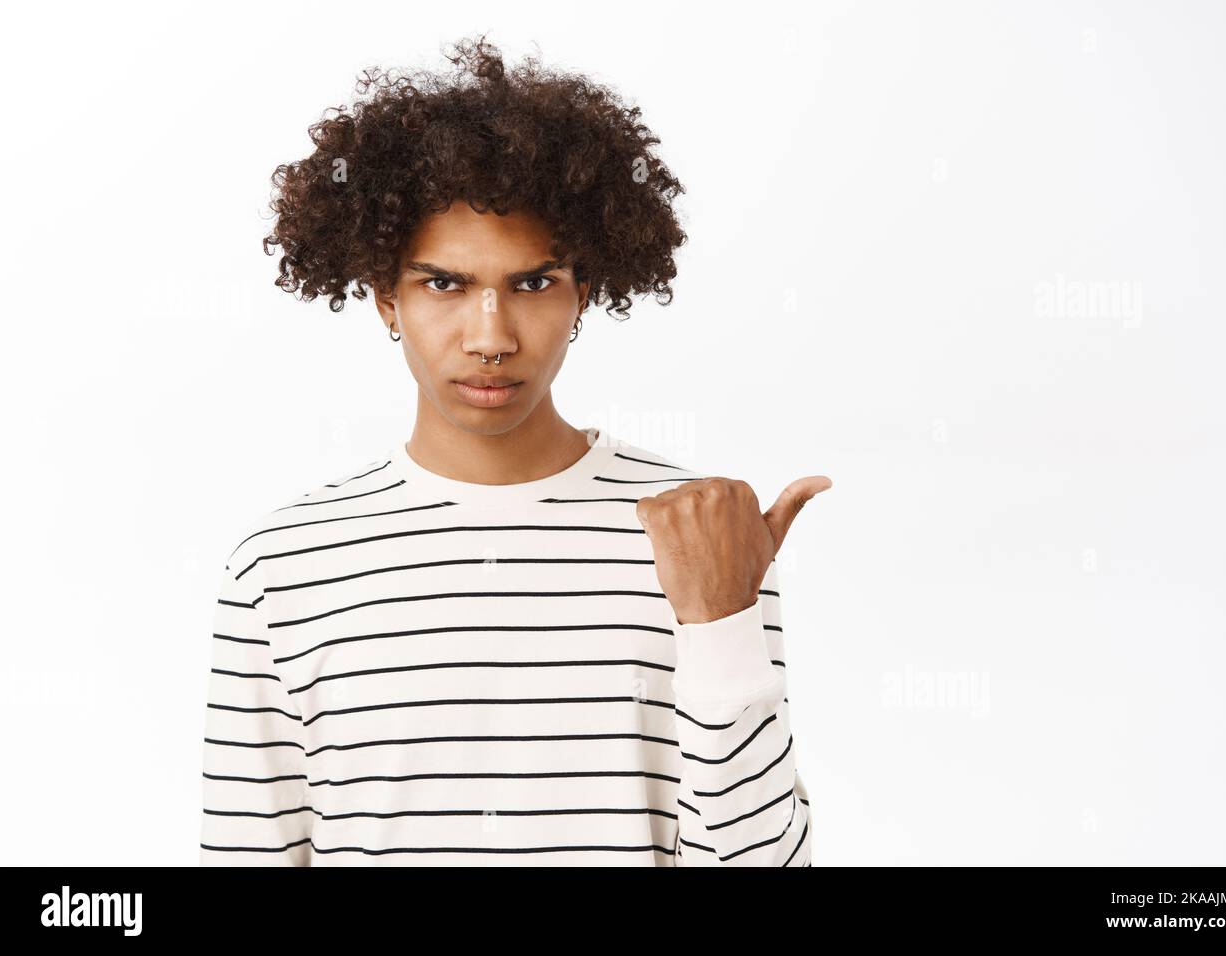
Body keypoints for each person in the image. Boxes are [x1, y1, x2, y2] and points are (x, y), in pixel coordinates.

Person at [199, 35, 828, 866]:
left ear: (584, 294)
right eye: (445, 284)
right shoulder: (282, 569)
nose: (490, 336)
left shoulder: (698, 535)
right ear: (386, 298)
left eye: (532, 284)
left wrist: (721, 626)